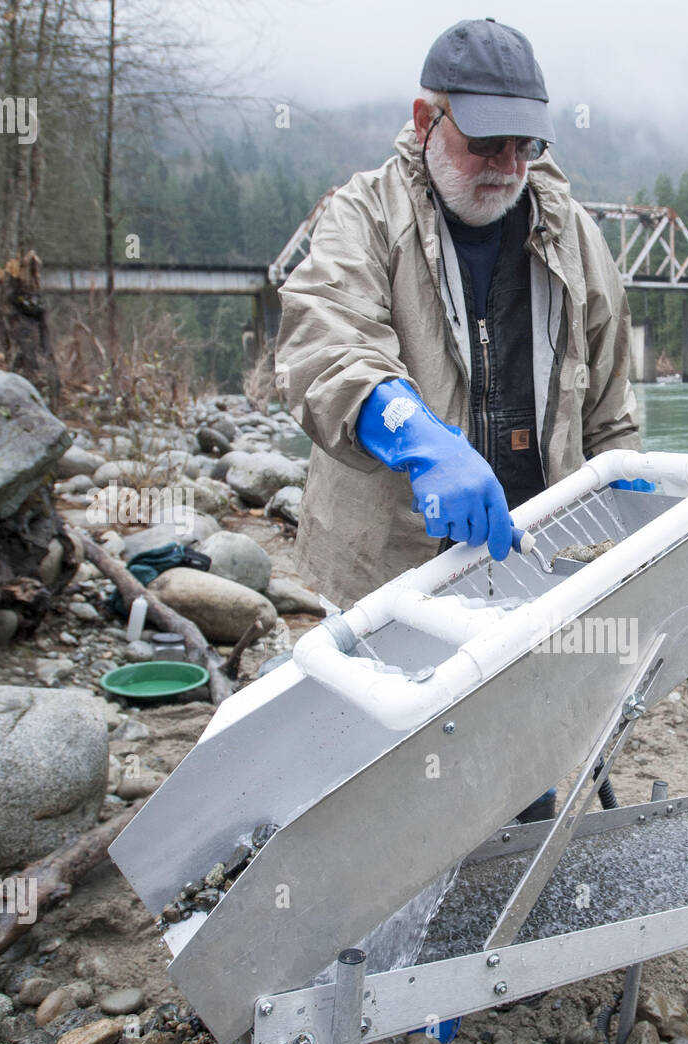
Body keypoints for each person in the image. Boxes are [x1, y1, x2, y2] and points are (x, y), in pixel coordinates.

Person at [276, 17, 644, 620]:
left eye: (525, 146)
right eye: (485, 143)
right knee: (389, 711)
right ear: (426, 121)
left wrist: (629, 481)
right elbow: (325, 347)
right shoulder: (362, 212)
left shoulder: (575, 233)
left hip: (539, 557)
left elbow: (608, 400)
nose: (507, 165)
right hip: (388, 572)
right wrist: (414, 439)